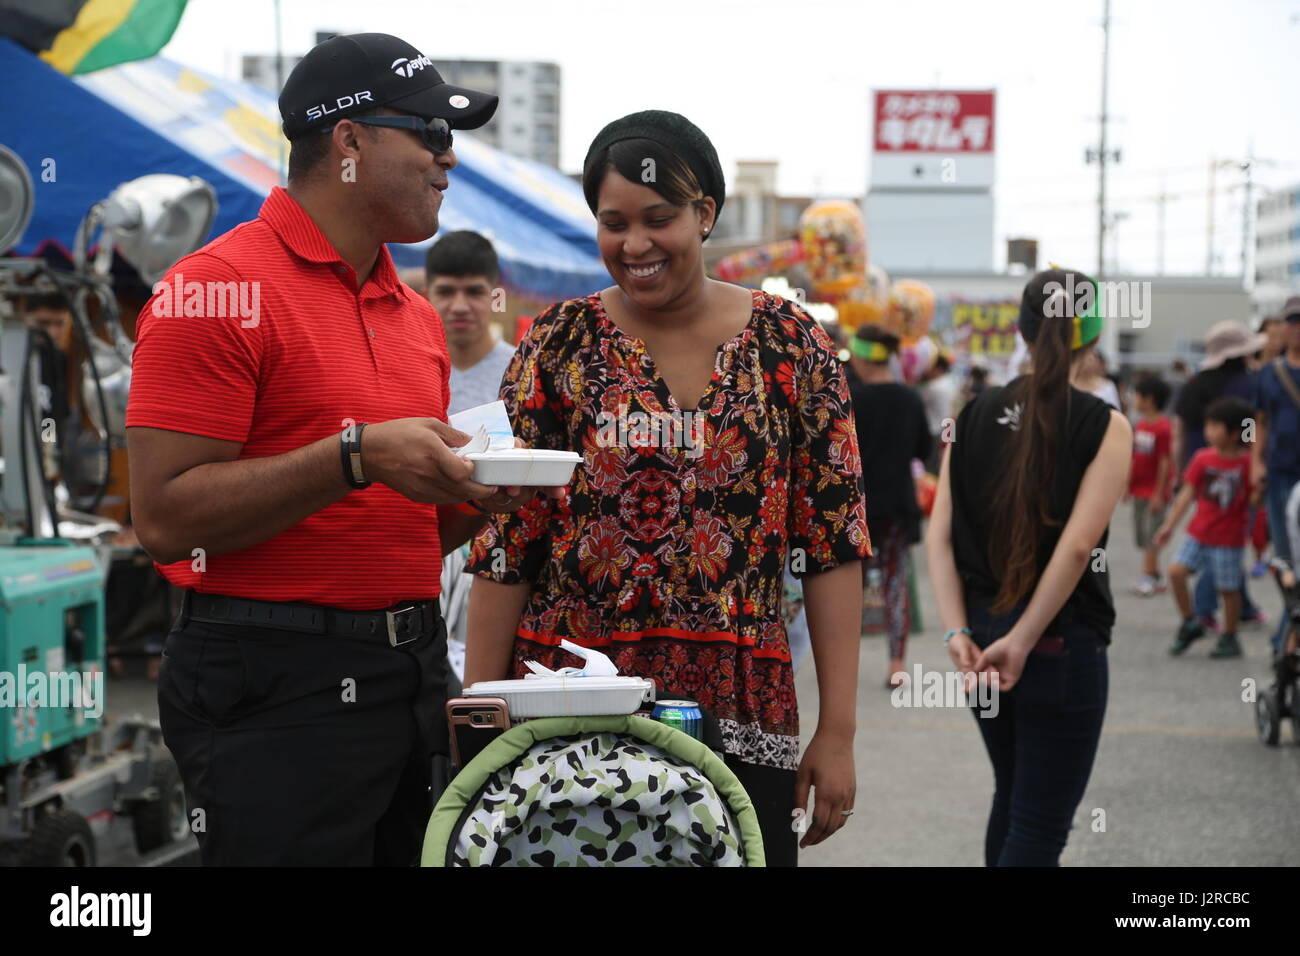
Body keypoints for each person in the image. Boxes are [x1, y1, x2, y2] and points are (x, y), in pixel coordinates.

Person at [125, 33, 556, 866]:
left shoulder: (415, 315)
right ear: (349, 141)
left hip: (410, 668)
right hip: (273, 678)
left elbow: (392, 538)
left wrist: (479, 497)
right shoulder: (213, 290)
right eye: (430, 132)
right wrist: (353, 454)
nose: (449, 159)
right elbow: (167, 519)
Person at [462, 110, 870, 867]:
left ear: (705, 213)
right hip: (565, 712)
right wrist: (477, 723)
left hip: (742, 710)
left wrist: (837, 731)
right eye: (613, 223)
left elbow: (835, 543)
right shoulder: (558, 345)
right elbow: (504, 546)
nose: (635, 244)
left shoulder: (793, 345)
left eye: (659, 219)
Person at [927, 267, 1132, 867]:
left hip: (982, 636)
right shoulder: (1105, 424)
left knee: (1014, 797)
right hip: (1056, 642)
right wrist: (1023, 641)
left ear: (1021, 327)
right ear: (1090, 337)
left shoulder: (972, 413)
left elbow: (938, 536)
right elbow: (1076, 550)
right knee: (1040, 826)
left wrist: (956, 631)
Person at [846, 324, 931, 686]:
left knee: (850, 587)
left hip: (856, 508)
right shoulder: (910, 399)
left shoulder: (851, 398)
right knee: (896, 582)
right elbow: (922, 451)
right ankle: (897, 665)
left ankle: (843, 665)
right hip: (897, 505)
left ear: (864, 358)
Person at [1174, 320, 1267, 632]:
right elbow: (1253, 425)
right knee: (1225, 539)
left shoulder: (1195, 384)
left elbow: (1181, 430)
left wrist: (1180, 468)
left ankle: (1238, 606)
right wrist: (1253, 454)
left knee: (1218, 537)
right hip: (1237, 470)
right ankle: (1205, 608)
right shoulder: (1247, 384)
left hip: (1199, 467)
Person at [1155, 396, 1255, 659]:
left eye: (1215, 426)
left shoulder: (1247, 463)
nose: (1208, 431)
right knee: (1176, 572)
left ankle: (1230, 636)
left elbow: (1255, 499)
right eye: (1208, 426)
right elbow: (1186, 494)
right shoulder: (1202, 458)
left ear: (1234, 433)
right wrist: (1168, 526)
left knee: (1228, 591)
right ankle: (1190, 622)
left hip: (1229, 538)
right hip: (1199, 532)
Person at [1252, 296, 1300, 651]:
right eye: (1291, 321)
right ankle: (1290, 629)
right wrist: (1255, 461)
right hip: (1281, 472)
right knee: (1284, 556)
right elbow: (1259, 422)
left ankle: (1288, 635)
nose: (1296, 328)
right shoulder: (1270, 373)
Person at [425, 231, 518, 415]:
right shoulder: (406, 370)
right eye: (445, 292)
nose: (460, 307)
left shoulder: (522, 374)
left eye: (474, 292)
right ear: (426, 295)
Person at [1129, 375, 1174, 597]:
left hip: (1154, 492)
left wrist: (1159, 492)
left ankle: (1147, 576)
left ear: (1149, 399)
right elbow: (1135, 457)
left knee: (1151, 534)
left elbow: (1166, 461)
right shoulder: (1141, 424)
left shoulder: (1163, 427)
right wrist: (1126, 485)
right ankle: (1156, 574)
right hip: (1138, 489)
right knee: (1141, 534)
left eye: (1137, 395)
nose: (1134, 399)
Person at [918, 350, 957, 473]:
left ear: (938, 368)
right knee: (945, 462)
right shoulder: (952, 383)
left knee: (931, 465)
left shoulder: (934, 386)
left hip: (934, 430)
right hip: (949, 426)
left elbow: (918, 400)